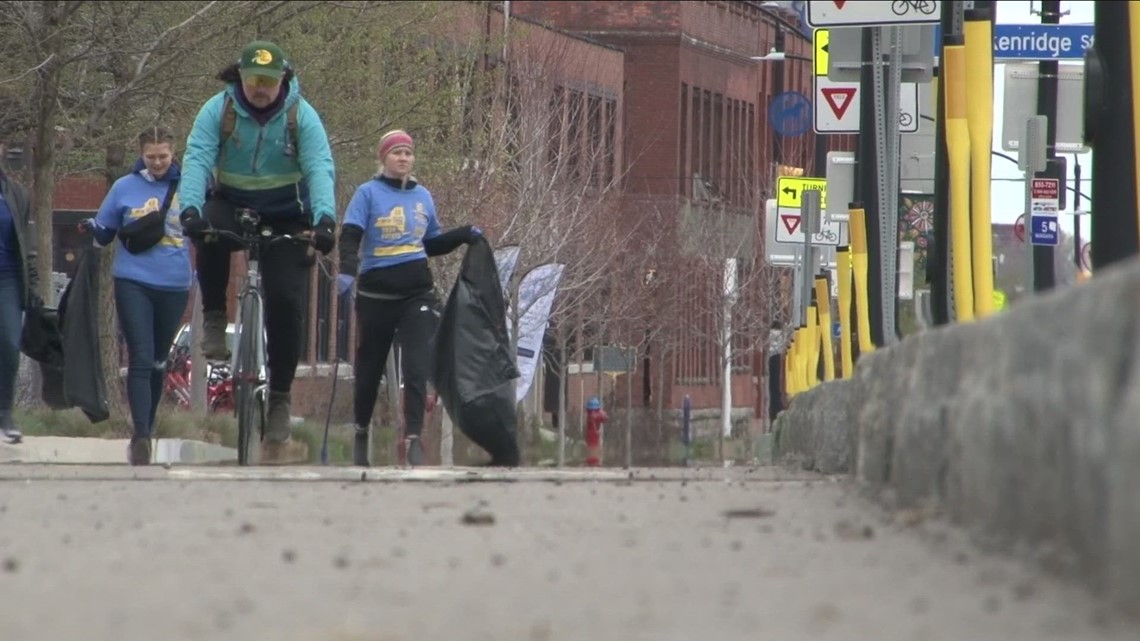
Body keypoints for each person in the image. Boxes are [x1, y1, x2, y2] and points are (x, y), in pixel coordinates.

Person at [178, 40, 337, 464]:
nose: (261, 89)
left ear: (283, 79)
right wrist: (190, 208)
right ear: (241, 78)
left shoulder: (302, 115)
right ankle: (214, 316)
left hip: (287, 211)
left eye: (270, 81)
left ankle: (280, 398)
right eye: (254, 81)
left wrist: (325, 219)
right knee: (207, 232)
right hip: (231, 201)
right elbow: (196, 158)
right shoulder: (219, 109)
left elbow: (320, 167)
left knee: (287, 300)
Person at [337, 130, 481, 467]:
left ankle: (414, 436)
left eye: (408, 153)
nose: (404, 158)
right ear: (383, 158)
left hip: (416, 293)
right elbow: (350, 235)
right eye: (397, 153)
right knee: (370, 368)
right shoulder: (367, 194)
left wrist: (462, 236)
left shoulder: (423, 197)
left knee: (417, 366)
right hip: (376, 294)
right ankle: (361, 430)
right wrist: (346, 268)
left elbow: (430, 244)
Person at [80, 127, 191, 465]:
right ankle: (141, 435)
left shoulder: (191, 187)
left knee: (158, 361)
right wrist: (91, 230)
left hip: (174, 284)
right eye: (150, 156)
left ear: (173, 153)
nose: (157, 162)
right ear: (141, 154)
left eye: (163, 156)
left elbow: (204, 228)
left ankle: (149, 424)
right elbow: (104, 234)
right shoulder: (124, 187)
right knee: (141, 357)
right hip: (133, 281)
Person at [0, 159, 39, 445]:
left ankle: (4, 414)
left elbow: (28, 242)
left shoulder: (15, 193)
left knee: (10, 346)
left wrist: (33, 283)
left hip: (8, 279)